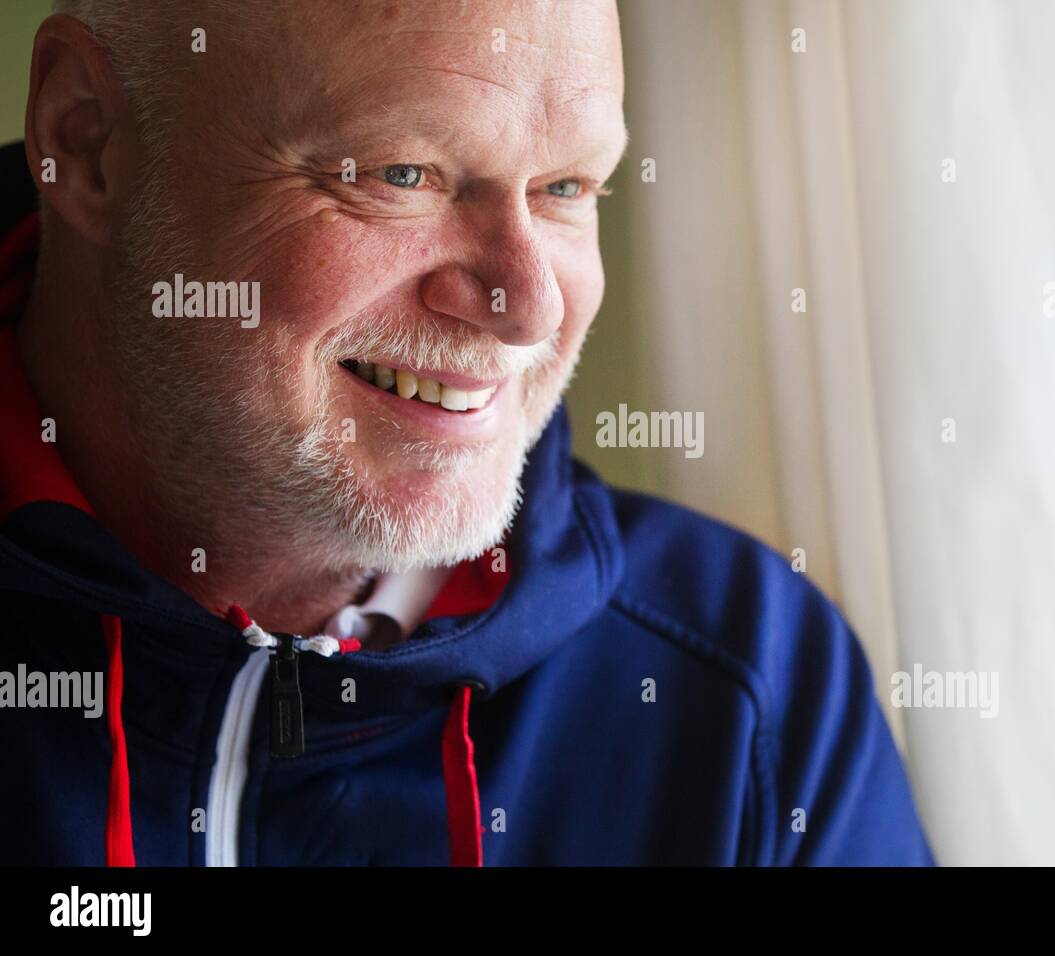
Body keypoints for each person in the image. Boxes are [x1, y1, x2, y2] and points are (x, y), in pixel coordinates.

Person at [0, 0, 934, 866]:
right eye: (404, 173)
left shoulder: (748, 684)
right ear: (85, 141)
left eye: (568, 187)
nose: (528, 308)